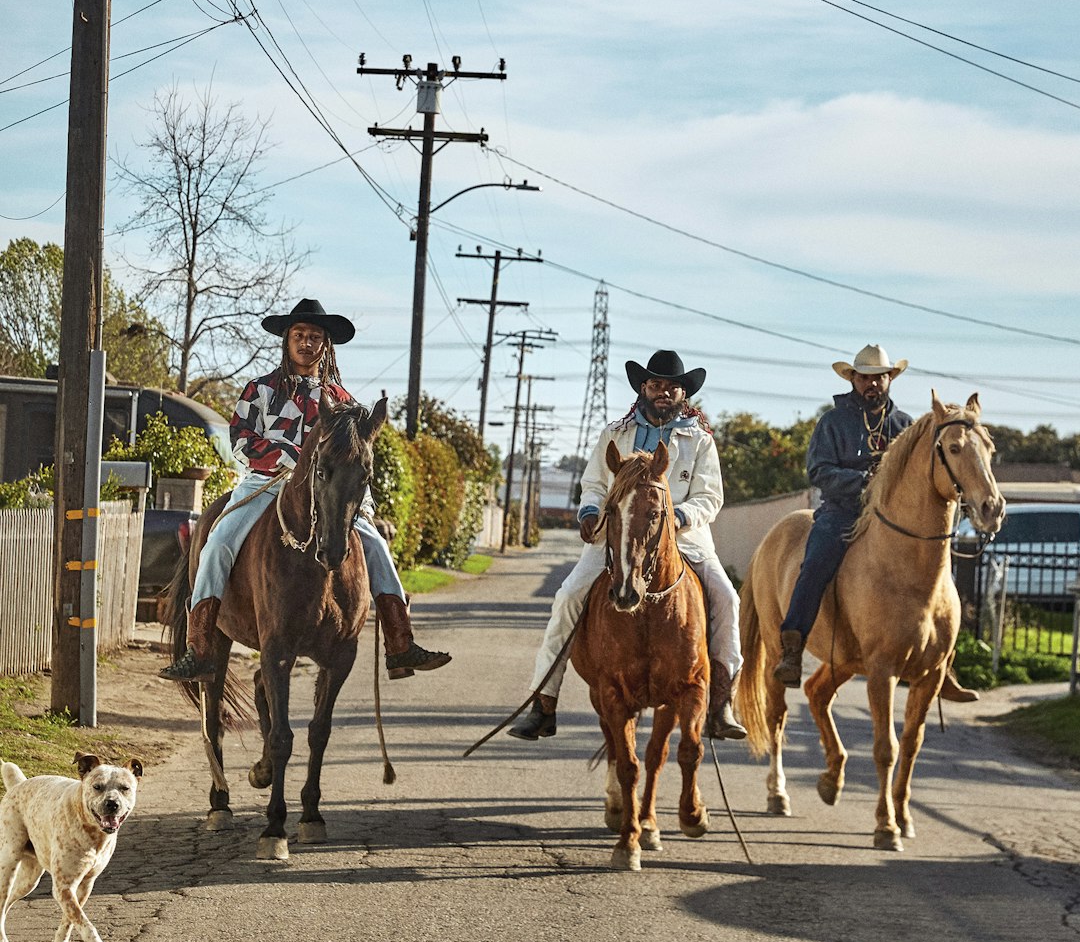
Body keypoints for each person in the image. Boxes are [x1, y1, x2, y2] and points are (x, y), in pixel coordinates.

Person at [158, 298, 452, 683]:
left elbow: (356, 460)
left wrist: (361, 506)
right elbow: (242, 442)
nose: (307, 343)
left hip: (327, 494)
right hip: (264, 484)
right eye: (299, 335)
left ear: (325, 345)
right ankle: (200, 646)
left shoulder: (345, 403)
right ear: (287, 341)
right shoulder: (259, 391)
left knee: (377, 547)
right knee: (217, 542)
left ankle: (400, 643)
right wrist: (287, 458)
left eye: (314, 337)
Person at [508, 349, 747, 742]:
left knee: (727, 598)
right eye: (656, 385)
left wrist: (677, 518)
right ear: (643, 388)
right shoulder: (614, 434)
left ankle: (721, 702)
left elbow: (710, 497)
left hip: (683, 542)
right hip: (616, 537)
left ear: (683, 395)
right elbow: (594, 485)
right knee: (568, 596)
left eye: (672, 387)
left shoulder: (700, 441)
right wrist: (589, 513)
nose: (664, 393)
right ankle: (544, 702)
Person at [773, 344, 913, 688]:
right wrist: (862, 481)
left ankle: (942, 654)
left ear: (890, 379)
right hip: (843, 511)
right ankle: (793, 647)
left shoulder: (905, 425)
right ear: (853, 379)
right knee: (816, 562)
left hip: (894, 518)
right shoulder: (832, 422)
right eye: (865, 378)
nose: (872, 384)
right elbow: (818, 471)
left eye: (879, 377)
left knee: (935, 565)